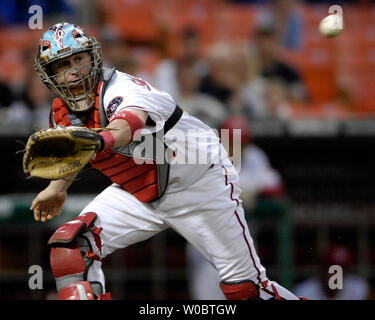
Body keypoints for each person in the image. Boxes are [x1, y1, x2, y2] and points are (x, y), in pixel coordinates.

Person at [30, 22, 301, 300]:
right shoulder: (61, 115)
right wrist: (57, 188)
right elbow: (79, 152)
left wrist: (98, 139)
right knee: (71, 248)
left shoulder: (120, 88)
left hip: (198, 183)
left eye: (79, 58)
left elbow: (128, 124)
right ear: (50, 74)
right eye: (63, 65)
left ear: (93, 57)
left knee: (248, 291)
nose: (74, 70)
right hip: (139, 190)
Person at [294, 244, 370, 300]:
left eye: (340, 271)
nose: (336, 276)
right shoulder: (305, 291)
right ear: (322, 270)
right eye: (332, 271)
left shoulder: (357, 288)